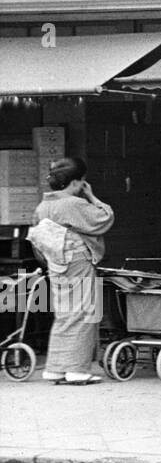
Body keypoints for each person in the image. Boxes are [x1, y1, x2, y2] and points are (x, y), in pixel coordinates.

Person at [31, 156, 115, 386]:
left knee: (65, 312)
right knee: (84, 311)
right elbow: (104, 218)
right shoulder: (72, 203)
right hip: (77, 259)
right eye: (81, 182)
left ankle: (56, 367)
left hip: (56, 261)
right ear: (77, 182)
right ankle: (77, 369)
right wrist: (91, 195)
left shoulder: (44, 205)